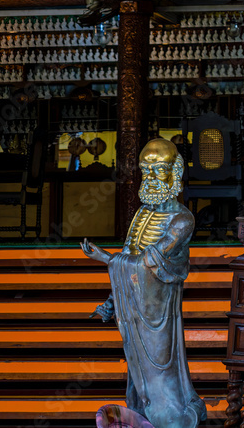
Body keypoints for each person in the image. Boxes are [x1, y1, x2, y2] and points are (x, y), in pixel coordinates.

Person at [82, 138, 206, 427]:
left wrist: (104, 259)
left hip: (158, 311)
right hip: (135, 309)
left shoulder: (182, 219)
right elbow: (130, 257)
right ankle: (143, 415)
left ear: (175, 171)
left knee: (162, 369)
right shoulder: (141, 214)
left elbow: (150, 260)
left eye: (158, 169)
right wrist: (111, 303)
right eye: (145, 170)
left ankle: (175, 416)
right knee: (138, 369)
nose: (150, 177)